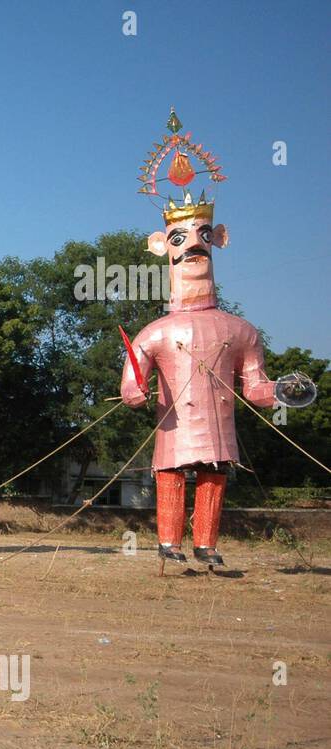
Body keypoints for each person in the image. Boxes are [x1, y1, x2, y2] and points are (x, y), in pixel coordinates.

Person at [122, 109, 315, 568]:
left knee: (212, 473)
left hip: (218, 423)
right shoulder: (155, 332)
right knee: (170, 473)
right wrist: (136, 390)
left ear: (219, 239)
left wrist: (284, 390)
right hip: (173, 425)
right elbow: (131, 381)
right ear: (160, 246)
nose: (193, 246)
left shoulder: (241, 330)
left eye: (203, 235)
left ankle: (206, 544)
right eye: (180, 237)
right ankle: (169, 542)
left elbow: (256, 389)